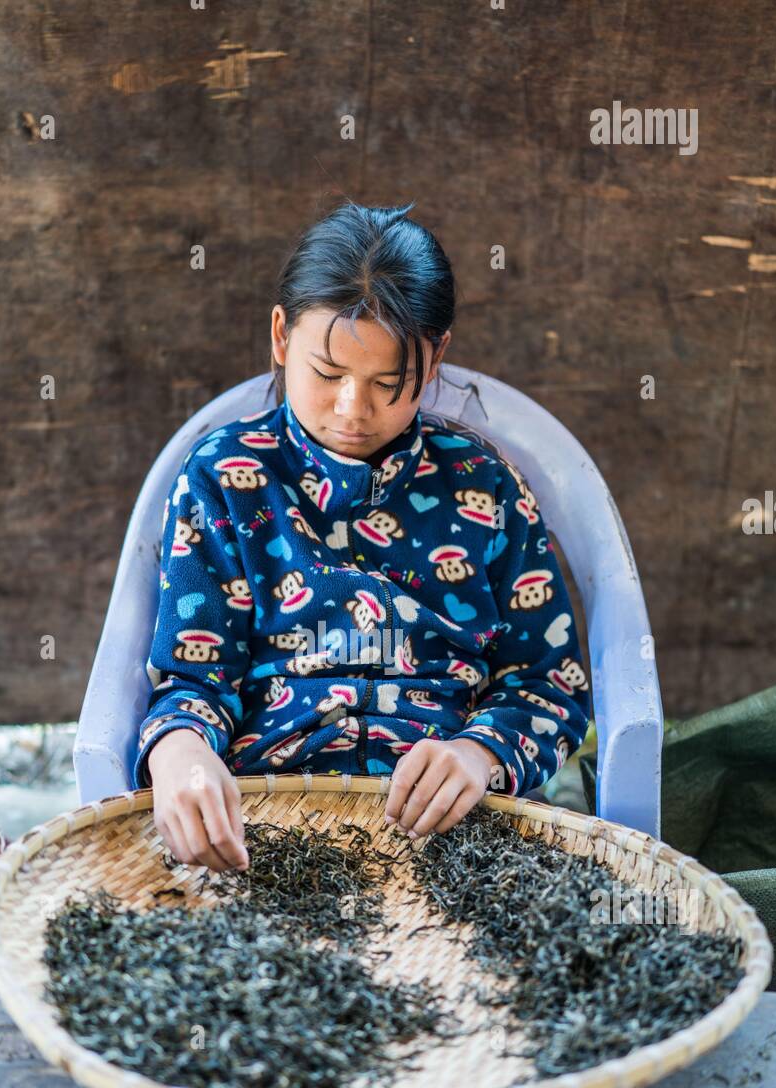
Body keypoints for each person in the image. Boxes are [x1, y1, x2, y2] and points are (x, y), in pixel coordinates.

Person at [135, 200, 591, 870]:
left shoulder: (484, 487)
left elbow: (550, 683)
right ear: (281, 338)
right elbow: (191, 680)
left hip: (451, 825)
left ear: (435, 358)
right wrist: (180, 754)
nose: (353, 410)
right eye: (326, 375)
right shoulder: (225, 480)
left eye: (388, 382)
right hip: (267, 817)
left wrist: (479, 753)